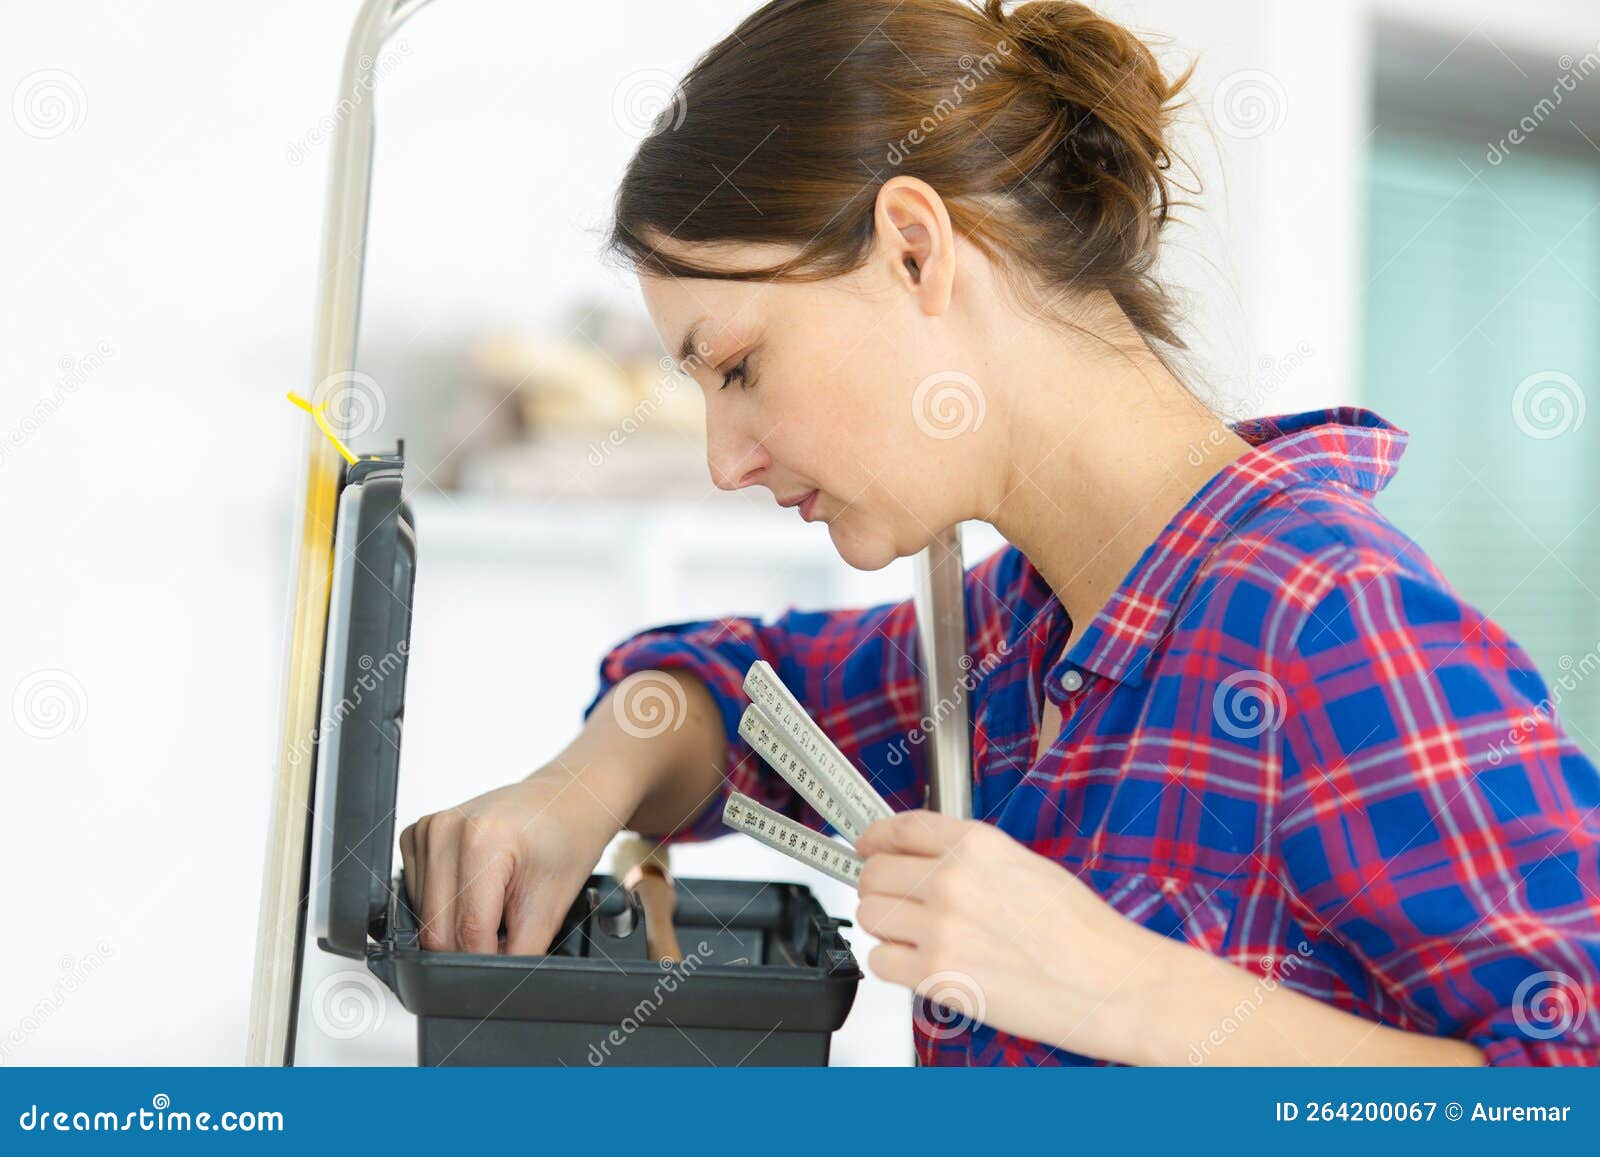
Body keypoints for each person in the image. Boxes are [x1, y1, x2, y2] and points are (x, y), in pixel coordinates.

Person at [398, 0, 1600, 1066]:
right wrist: (572, 792)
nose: (725, 459)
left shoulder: (1324, 619)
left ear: (915, 250)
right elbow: (721, 694)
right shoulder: (1009, 640)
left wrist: (1129, 990)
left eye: (742, 367)